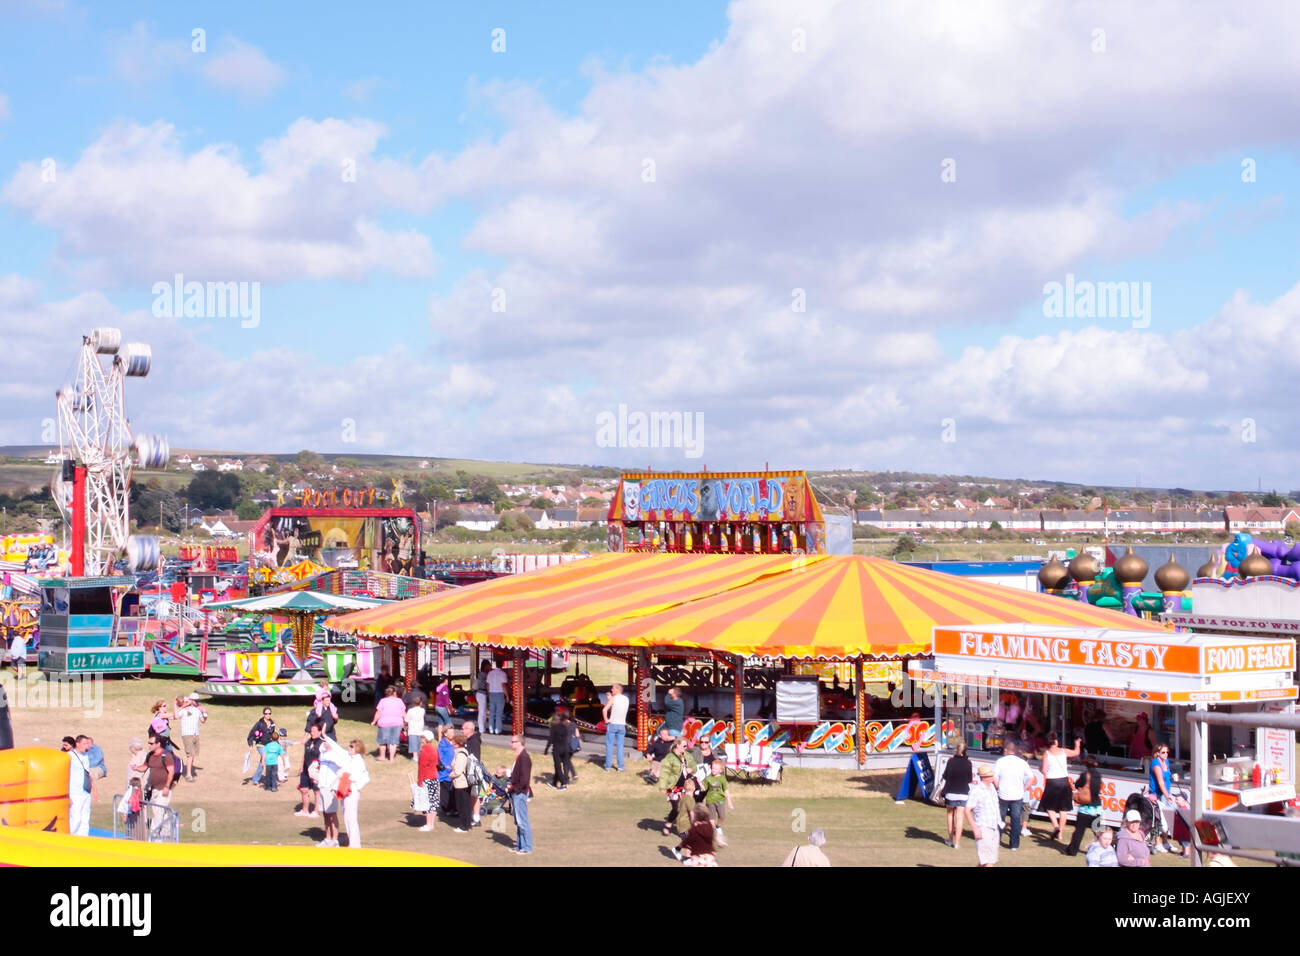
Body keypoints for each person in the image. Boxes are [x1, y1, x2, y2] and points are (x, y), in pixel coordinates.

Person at [1041, 731, 1083, 841]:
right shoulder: (1063, 751)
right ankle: (1061, 833)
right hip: (1064, 781)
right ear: (1056, 741)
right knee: (1063, 809)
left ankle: (1056, 826)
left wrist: (1040, 769)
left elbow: (1044, 770)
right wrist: (1077, 743)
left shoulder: (1046, 754)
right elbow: (1076, 752)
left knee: (1049, 806)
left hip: (1052, 782)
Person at [1148, 742, 1187, 856]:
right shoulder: (1155, 764)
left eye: (1167, 752)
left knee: (1167, 820)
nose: (1166, 754)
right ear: (1157, 753)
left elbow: (1167, 777)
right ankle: (1158, 843)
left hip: (1166, 794)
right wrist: (1167, 795)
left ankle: (1165, 842)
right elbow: (1160, 782)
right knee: (1158, 820)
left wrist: (1174, 777)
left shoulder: (1166, 762)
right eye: (1163, 752)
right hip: (1157, 795)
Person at [993, 740, 1033, 850]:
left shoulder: (1000, 761)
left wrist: (997, 786)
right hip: (1017, 795)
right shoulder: (1022, 762)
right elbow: (1031, 777)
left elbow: (994, 777)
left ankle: (997, 840)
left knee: (1000, 818)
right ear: (1015, 751)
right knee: (1015, 820)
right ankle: (1014, 845)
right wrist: (1025, 788)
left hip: (1003, 793)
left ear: (1006, 750)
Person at [659, 737, 698, 837]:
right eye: (684, 746)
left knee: (684, 808)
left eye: (686, 746)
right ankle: (671, 824)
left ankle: (683, 829)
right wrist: (662, 787)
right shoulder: (670, 758)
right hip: (673, 787)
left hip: (685, 786)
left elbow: (694, 765)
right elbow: (664, 772)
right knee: (677, 808)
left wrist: (691, 769)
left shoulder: (687, 755)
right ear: (677, 745)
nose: (686, 748)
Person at [1066, 755, 1104, 857]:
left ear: (1086, 764)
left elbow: (1077, 785)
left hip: (1085, 808)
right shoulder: (1099, 775)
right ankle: (1103, 849)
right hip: (1097, 807)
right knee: (1098, 831)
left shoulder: (1085, 775)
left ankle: (1072, 850)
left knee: (1079, 831)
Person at [965, 764, 1001, 867]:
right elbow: (967, 810)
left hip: (994, 826)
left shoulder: (992, 788)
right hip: (983, 827)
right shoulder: (977, 791)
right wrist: (975, 828)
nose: (992, 777)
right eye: (990, 775)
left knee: (989, 860)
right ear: (984, 777)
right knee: (989, 862)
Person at [315, 734, 346, 847]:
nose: (323, 744)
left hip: (330, 786)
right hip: (322, 785)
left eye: (326, 742)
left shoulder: (337, 755)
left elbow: (342, 763)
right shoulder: (323, 754)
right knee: (325, 814)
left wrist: (331, 750)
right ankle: (327, 838)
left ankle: (335, 839)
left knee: (332, 814)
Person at [940, 741, 973, 850]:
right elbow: (969, 779)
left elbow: (945, 776)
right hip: (963, 793)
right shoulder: (968, 763)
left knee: (950, 815)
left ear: (956, 750)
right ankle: (957, 843)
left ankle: (950, 839)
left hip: (951, 792)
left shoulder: (951, 761)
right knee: (960, 817)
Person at [340, 739, 370, 849]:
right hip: (345, 786)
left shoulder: (358, 761)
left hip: (352, 788)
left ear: (357, 748)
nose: (349, 748)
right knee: (346, 816)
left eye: (352, 746)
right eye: (349, 746)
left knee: (351, 817)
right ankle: (351, 842)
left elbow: (361, 776)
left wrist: (347, 777)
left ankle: (355, 844)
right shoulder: (350, 759)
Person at [144, 733, 175, 836]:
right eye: (148, 743)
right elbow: (144, 767)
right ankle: (166, 834)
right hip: (154, 789)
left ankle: (154, 836)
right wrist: (135, 767)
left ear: (158, 744)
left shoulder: (166, 755)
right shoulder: (150, 755)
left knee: (158, 812)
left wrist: (167, 787)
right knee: (161, 812)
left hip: (164, 789)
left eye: (151, 743)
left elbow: (171, 771)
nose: (149, 745)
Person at [507, 735, 533, 855]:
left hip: (520, 793)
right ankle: (519, 845)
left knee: (522, 821)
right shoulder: (519, 757)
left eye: (513, 742)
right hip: (516, 792)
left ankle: (527, 847)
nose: (511, 744)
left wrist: (512, 789)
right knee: (518, 821)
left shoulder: (524, 758)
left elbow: (524, 780)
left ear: (520, 743)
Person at [700, 759, 733, 844]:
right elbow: (704, 789)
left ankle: (718, 827)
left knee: (722, 816)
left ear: (720, 770)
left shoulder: (722, 779)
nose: (713, 770)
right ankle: (713, 834)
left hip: (720, 801)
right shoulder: (708, 778)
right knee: (711, 818)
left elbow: (726, 790)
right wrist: (700, 783)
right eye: (712, 768)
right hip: (710, 801)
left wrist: (729, 802)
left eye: (715, 769)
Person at [66, 735, 94, 836]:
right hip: (74, 792)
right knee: (76, 818)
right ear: (77, 744)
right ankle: (69, 838)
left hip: (85, 792)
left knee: (85, 819)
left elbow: (87, 774)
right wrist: (67, 794)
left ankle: (83, 841)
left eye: (88, 744)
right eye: (84, 744)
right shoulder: (69, 756)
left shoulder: (85, 757)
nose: (87, 746)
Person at [296, 722, 324, 817]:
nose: (312, 733)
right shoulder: (308, 742)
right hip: (305, 769)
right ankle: (305, 810)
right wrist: (301, 767)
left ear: (320, 732)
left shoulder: (322, 743)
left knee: (316, 791)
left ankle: (316, 811)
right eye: (311, 731)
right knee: (303, 789)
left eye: (315, 731)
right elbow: (305, 755)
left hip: (316, 771)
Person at [177, 693, 207, 782]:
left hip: (195, 734)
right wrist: (183, 706)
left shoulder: (197, 710)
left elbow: (203, 721)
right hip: (187, 734)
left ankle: (189, 772)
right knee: (190, 755)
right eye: (196, 701)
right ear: (191, 701)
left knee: (193, 755)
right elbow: (176, 716)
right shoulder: (185, 709)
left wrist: (205, 713)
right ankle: (188, 774)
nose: (198, 703)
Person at [371, 684, 405, 761]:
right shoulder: (399, 701)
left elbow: (378, 713)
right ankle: (391, 758)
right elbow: (403, 713)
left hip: (384, 723)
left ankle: (382, 756)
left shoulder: (382, 701)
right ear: (394, 693)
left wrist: (374, 721)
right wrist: (406, 721)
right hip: (397, 723)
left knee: (382, 741)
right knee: (393, 741)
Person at [449, 732, 473, 832]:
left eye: (453, 742)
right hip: (462, 783)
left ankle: (464, 825)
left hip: (461, 783)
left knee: (462, 805)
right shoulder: (461, 753)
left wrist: (450, 775)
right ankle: (466, 824)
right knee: (464, 805)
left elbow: (458, 771)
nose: (452, 744)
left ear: (458, 743)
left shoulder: (461, 754)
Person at [246, 708, 276, 785]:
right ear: (263, 714)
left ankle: (255, 779)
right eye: (266, 713)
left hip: (268, 745)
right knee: (264, 757)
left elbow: (273, 735)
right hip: (260, 744)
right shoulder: (259, 724)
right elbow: (251, 735)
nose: (268, 715)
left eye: (269, 713)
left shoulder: (272, 723)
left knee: (263, 762)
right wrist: (250, 745)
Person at [603, 682, 629, 771]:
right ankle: (621, 766)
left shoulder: (613, 698)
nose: (611, 690)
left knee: (609, 745)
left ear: (617, 689)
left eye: (613, 688)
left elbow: (604, 709)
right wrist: (611, 698)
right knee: (620, 746)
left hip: (613, 724)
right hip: (622, 725)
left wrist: (606, 719)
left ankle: (608, 766)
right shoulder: (626, 699)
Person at [417, 729, 439, 832]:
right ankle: (431, 823)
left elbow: (422, 766)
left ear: (425, 739)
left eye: (422, 737)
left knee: (427, 802)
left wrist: (419, 781)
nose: (421, 739)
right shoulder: (434, 749)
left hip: (427, 777)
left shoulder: (425, 750)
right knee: (433, 801)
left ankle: (428, 824)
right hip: (434, 777)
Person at [545, 712, 570, 790]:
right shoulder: (564, 727)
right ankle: (554, 782)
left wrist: (546, 750)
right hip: (566, 749)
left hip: (557, 750)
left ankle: (564, 783)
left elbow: (550, 740)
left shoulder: (553, 728)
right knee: (558, 767)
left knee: (558, 767)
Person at [486, 663, 508, 735]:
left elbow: (488, 685)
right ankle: (498, 730)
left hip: (492, 693)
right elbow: (503, 685)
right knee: (499, 713)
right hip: (500, 694)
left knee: (491, 713)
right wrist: (507, 695)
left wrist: (489, 694)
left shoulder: (490, 673)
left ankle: (491, 729)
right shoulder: (503, 674)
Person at [405, 695, 426, 761]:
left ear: (413, 703)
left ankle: (415, 757)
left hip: (412, 730)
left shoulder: (410, 711)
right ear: (421, 703)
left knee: (413, 743)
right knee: (418, 743)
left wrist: (405, 725)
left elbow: (406, 720)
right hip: (420, 729)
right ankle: (418, 755)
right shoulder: (422, 710)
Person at [474, 662, 490, 731]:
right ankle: (481, 728)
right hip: (481, 693)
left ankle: (483, 726)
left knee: (484, 711)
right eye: (488, 666)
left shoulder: (482, 674)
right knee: (482, 711)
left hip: (482, 694)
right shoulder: (482, 674)